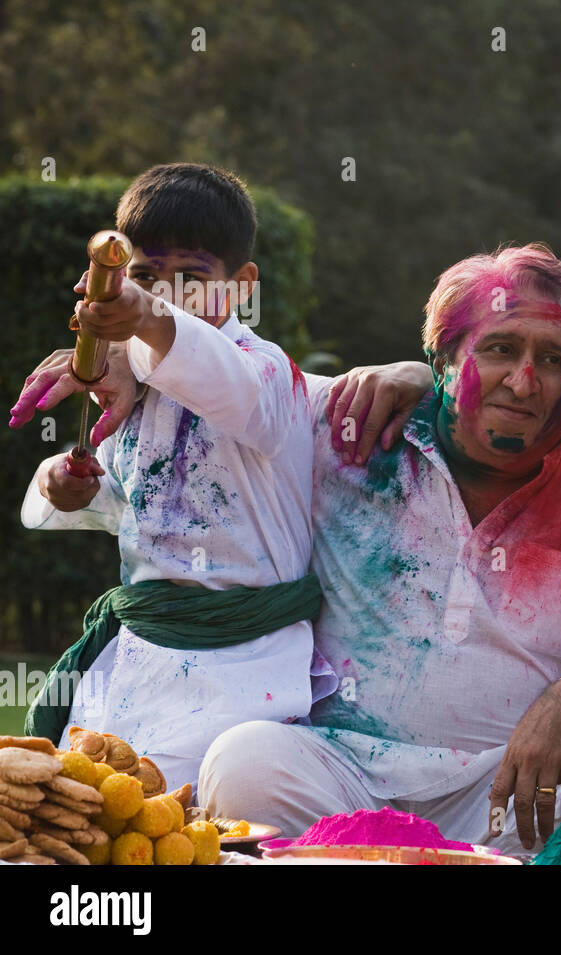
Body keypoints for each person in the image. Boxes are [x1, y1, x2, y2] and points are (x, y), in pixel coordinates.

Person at [197, 245, 561, 853]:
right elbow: (225, 384)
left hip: (514, 799)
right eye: (500, 349)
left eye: (551, 360)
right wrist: (122, 359)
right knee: (244, 759)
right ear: (443, 358)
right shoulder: (349, 425)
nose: (523, 382)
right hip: (345, 779)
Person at [11, 163, 324, 789]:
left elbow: (231, 391)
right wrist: (67, 485)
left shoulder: (270, 379)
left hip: (245, 675)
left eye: (192, 277)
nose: (167, 295)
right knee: (67, 823)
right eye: (148, 276)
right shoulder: (127, 385)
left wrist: (142, 323)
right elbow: (137, 508)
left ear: (242, 286)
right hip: (133, 656)